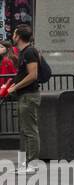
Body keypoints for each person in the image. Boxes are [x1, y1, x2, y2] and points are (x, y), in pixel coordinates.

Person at [0, 25, 43, 173]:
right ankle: (27, 162)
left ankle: (33, 164)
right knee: (25, 130)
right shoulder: (24, 52)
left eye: (14, 34)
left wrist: (15, 87)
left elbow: (33, 75)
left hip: (29, 96)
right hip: (24, 96)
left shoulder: (29, 52)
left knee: (30, 130)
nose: (12, 36)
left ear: (18, 36)